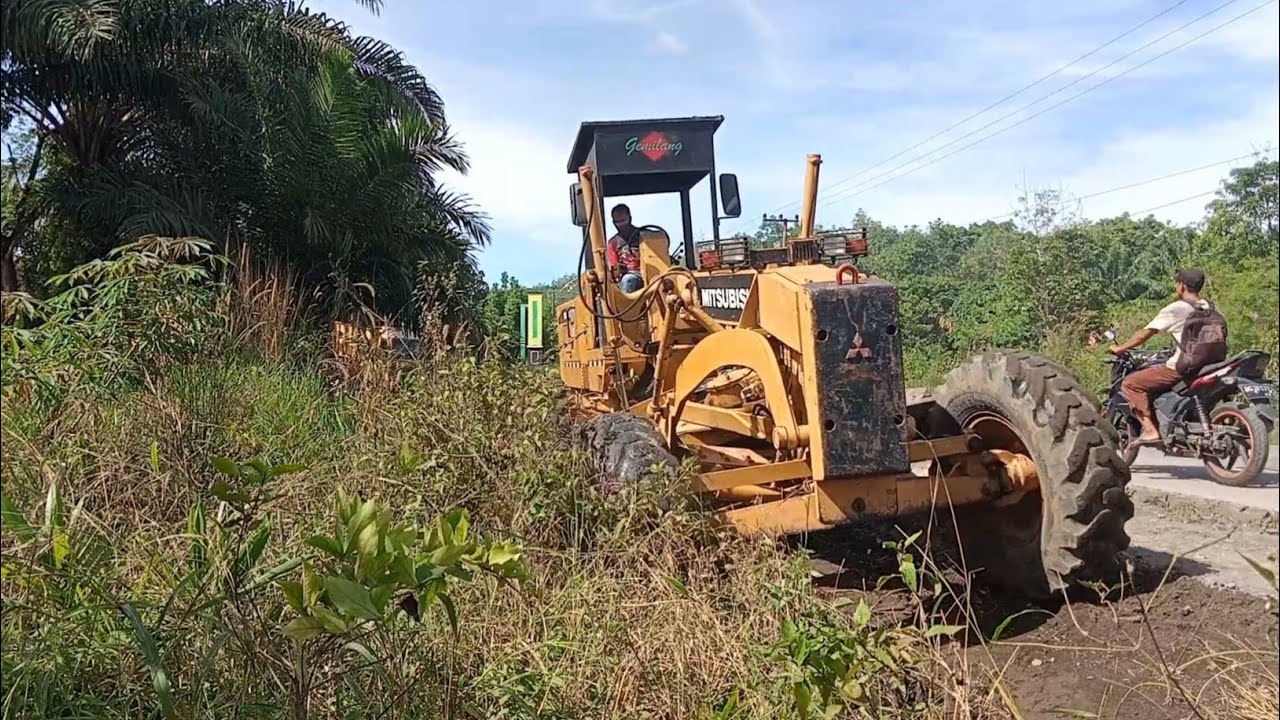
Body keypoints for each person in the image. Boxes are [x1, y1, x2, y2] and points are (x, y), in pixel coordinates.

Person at [1109, 268, 1213, 446]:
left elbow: (1144, 334)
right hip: (1210, 363)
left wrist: (1121, 348)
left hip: (1183, 366)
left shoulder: (1176, 308)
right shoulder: (1209, 306)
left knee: (1130, 383)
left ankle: (1150, 430)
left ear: (1181, 286)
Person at [606, 203, 644, 293]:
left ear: (630, 218)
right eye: (617, 222)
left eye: (623, 221)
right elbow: (614, 269)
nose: (621, 225)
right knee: (628, 281)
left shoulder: (645, 236)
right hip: (630, 275)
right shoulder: (613, 243)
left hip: (651, 272)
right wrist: (618, 269)